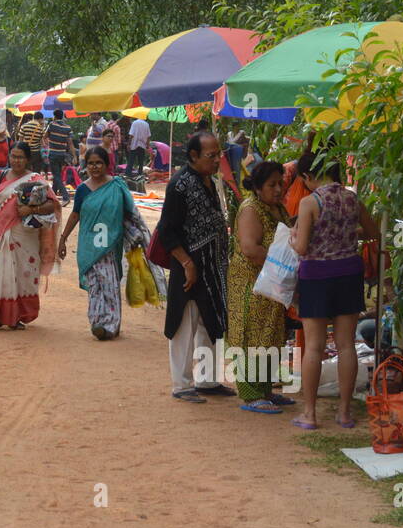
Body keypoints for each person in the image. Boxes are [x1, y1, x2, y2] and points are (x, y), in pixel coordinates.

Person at [290, 153, 379, 430]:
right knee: (346, 345)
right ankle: (344, 413)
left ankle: (310, 413)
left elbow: (303, 247)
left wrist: (293, 239)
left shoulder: (309, 202)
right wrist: (348, 236)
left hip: (316, 276)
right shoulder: (352, 199)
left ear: (307, 177)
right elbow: (373, 231)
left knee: (314, 346)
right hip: (349, 273)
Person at [151, 131, 233, 403]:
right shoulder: (180, 185)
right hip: (189, 267)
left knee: (210, 322)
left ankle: (207, 381)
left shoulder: (209, 181)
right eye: (212, 155)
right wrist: (186, 263)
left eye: (218, 154)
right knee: (185, 325)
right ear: (194, 156)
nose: (217, 159)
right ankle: (182, 384)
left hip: (212, 266)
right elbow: (166, 229)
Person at [226, 162, 296, 414]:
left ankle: (265, 390)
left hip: (272, 285)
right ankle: (251, 393)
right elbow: (250, 249)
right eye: (272, 185)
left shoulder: (277, 208)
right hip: (250, 286)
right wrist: (282, 266)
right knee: (251, 337)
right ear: (257, 187)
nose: (278, 189)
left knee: (271, 336)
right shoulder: (250, 209)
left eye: (281, 183)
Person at [0, 142, 61, 329]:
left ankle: (17, 315)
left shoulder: (36, 180)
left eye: (20, 157)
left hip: (25, 236)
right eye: (13, 156)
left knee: (23, 274)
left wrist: (30, 208)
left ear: (28, 159)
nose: (16, 160)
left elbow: (52, 205)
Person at [58, 146, 139, 340]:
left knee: (109, 284)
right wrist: (63, 238)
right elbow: (75, 214)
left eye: (99, 163)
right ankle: (98, 323)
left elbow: (130, 214)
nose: (95, 167)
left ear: (106, 164)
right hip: (88, 244)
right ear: (86, 166)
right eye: (91, 163)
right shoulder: (82, 190)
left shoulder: (117, 186)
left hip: (110, 245)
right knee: (94, 285)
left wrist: (137, 238)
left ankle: (112, 325)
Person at [44, 113, 76, 205]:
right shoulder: (68, 128)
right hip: (62, 155)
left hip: (53, 153)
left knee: (57, 176)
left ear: (54, 116)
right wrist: (74, 156)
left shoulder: (52, 125)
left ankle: (65, 197)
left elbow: (45, 136)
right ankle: (53, 196)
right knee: (57, 175)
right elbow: (70, 143)